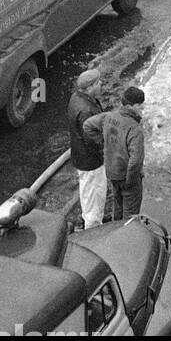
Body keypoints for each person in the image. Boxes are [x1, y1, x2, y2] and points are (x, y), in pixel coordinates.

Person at [82, 86, 146, 220]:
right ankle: (127, 238)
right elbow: (135, 161)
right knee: (130, 216)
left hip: (112, 173)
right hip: (127, 177)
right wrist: (131, 181)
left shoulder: (108, 116)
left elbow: (87, 125)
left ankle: (114, 234)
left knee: (117, 207)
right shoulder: (134, 128)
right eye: (141, 105)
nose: (142, 109)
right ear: (134, 106)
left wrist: (104, 142)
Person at [68, 69, 107, 229]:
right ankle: (93, 230)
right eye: (98, 83)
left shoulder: (76, 98)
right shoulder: (86, 111)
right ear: (90, 87)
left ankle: (88, 219)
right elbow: (92, 139)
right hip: (91, 162)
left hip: (81, 157)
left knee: (87, 193)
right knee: (95, 196)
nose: (101, 84)